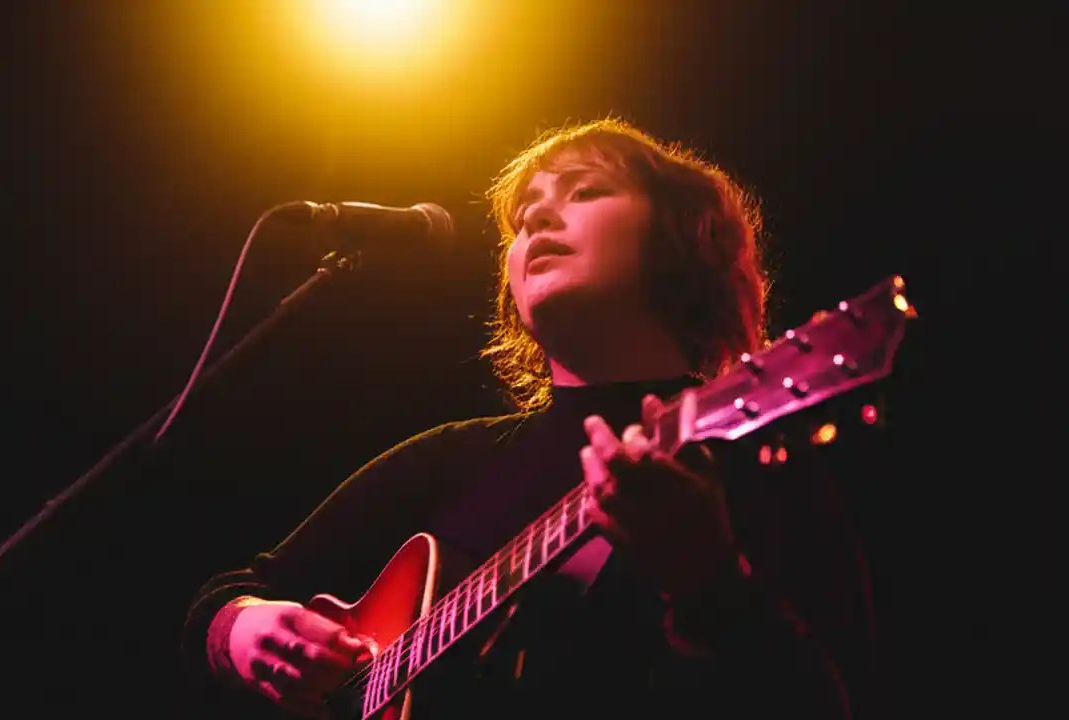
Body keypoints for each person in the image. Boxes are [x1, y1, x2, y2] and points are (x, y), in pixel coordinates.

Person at [180, 118, 876, 719]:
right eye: (524, 217)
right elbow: (230, 593)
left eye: (585, 191)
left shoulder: (752, 459)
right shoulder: (452, 460)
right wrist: (241, 632)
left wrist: (709, 584)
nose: (539, 218)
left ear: (679, 240)